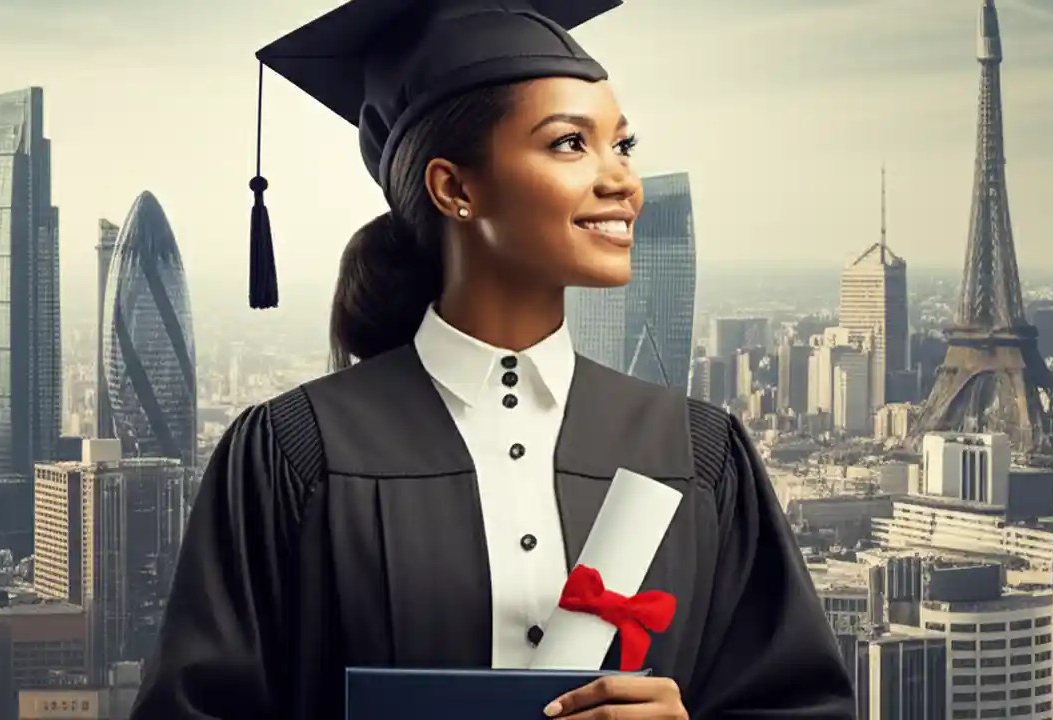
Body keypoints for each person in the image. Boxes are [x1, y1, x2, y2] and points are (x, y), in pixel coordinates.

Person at [132, 0, 855, 717]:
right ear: (455, 188)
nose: (623, 182)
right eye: (570, 144)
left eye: (622, 146)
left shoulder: (695, 451)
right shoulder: (295, 455)